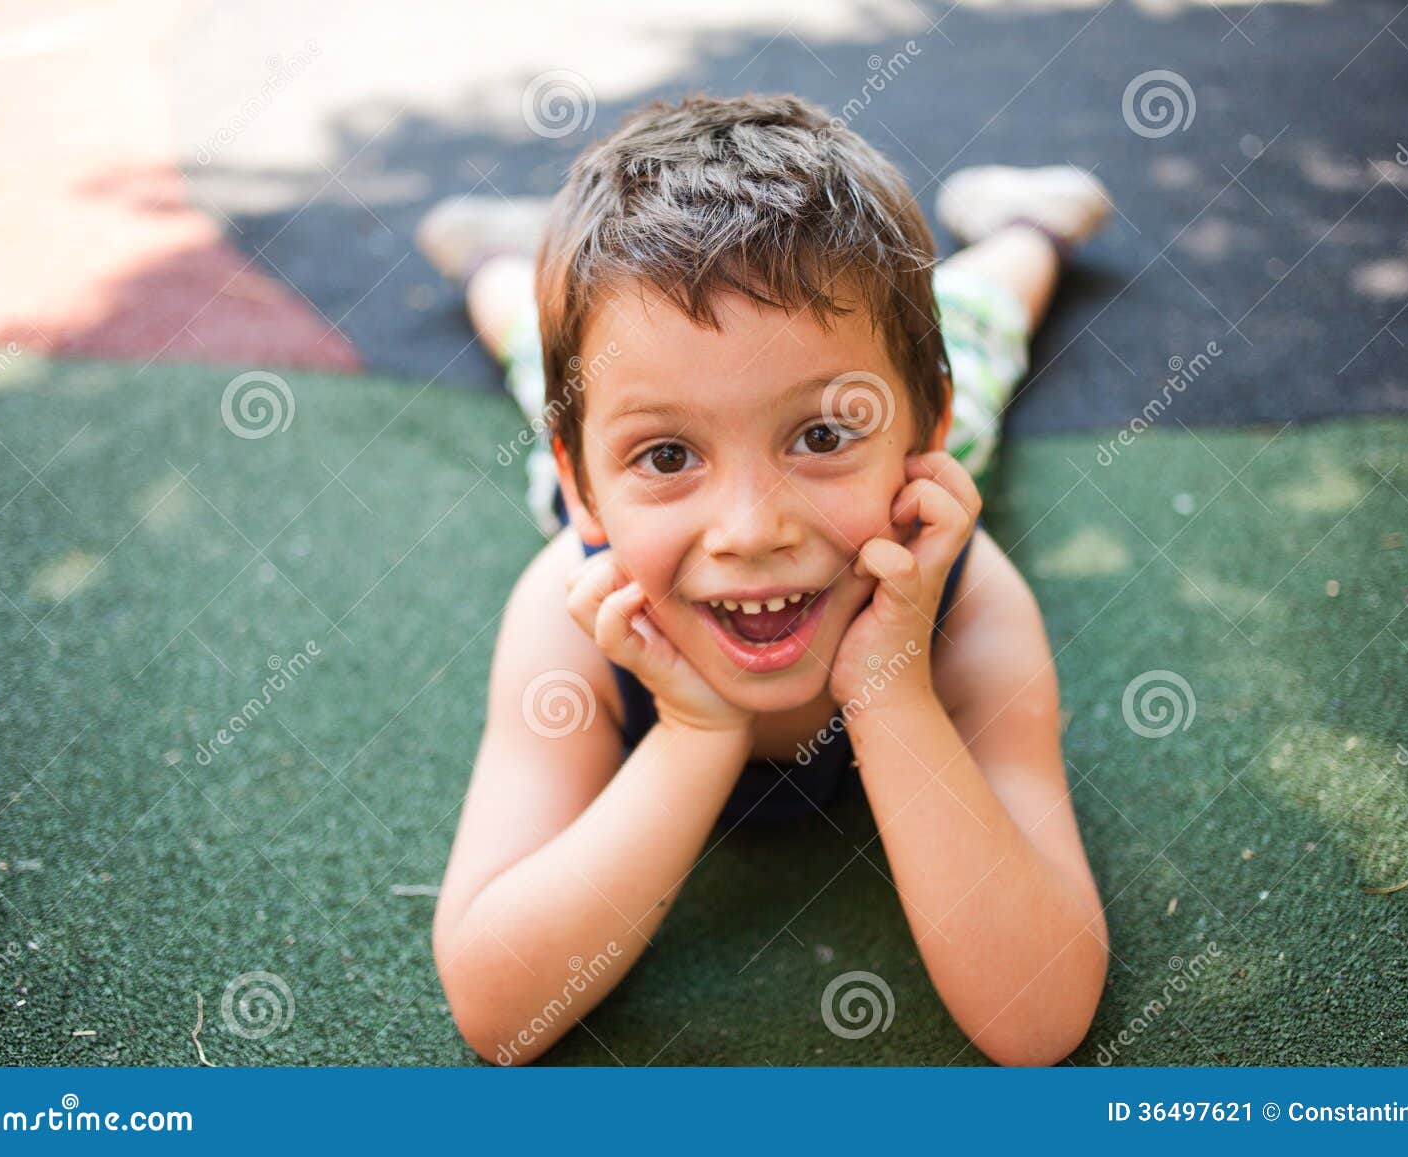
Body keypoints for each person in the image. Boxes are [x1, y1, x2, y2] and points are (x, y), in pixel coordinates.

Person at [419, 93, 1111, 1066]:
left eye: (822, 435)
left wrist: (891, 687)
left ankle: (1020, 229)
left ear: (920, 434)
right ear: (583, 491)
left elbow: (1039, 1020)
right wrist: (697, 731)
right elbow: (500, 1012)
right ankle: (506, 259)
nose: (751, 530)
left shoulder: (969, 606)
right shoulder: (566, 615)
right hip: (605, 431)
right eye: (667, 456)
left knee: (981, 322)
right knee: (547, 364)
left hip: (887, 430)